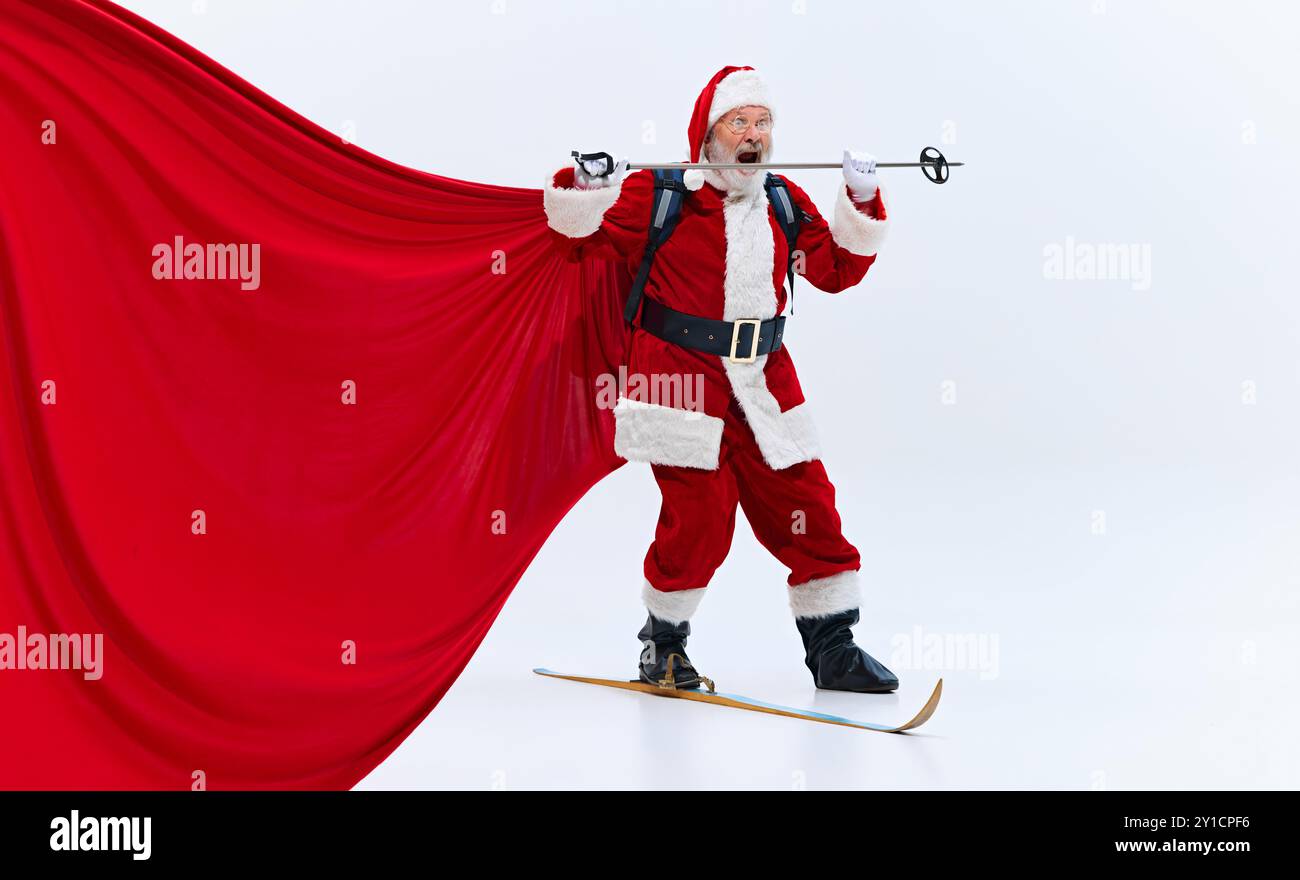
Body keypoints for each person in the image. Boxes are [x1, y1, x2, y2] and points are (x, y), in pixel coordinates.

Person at [543, 66, 899, 693]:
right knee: (701, 519)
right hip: (679, 384)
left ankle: (834, 650)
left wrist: (861, 199)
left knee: (807, 503)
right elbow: (581, 233)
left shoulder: (783, 201)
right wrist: (590, 184)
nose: (754, 134)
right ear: (709, 136)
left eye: (764, 123)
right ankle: (664, 646)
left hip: (763, 383)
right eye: (740, 122)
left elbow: (836, 269)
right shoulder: (661, 194)